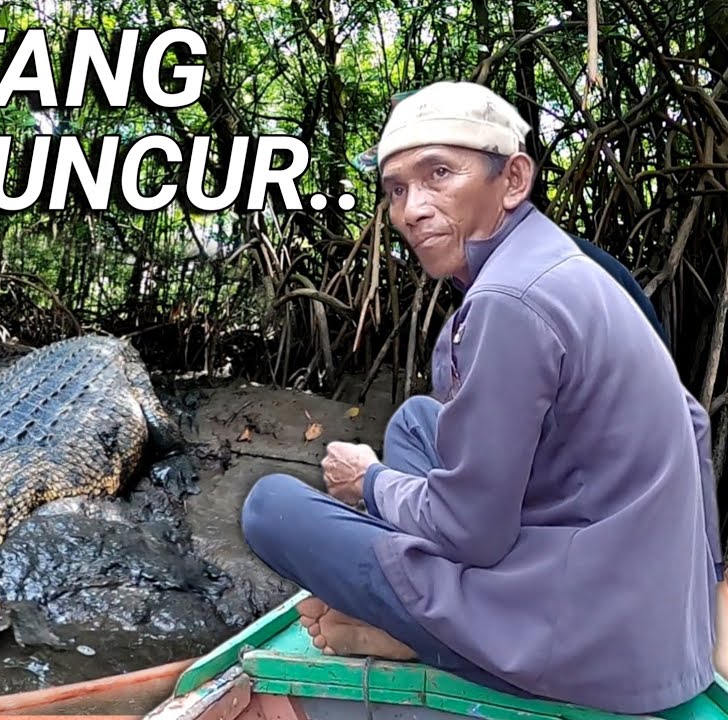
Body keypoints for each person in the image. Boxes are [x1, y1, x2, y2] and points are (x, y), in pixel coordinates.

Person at [240, 80, 722, 714]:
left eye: (438, 174)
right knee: (416, 421)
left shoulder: (507, 301)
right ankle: (421, 619)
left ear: (513, 179)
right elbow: (691, 422)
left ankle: (422, 633)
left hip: (582, 644)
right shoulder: (562, 262)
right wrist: (703, 600)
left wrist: (373, 482)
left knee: (270, 506)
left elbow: (473, 533)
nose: (412, 208)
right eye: (396, 189)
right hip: (646, 625)